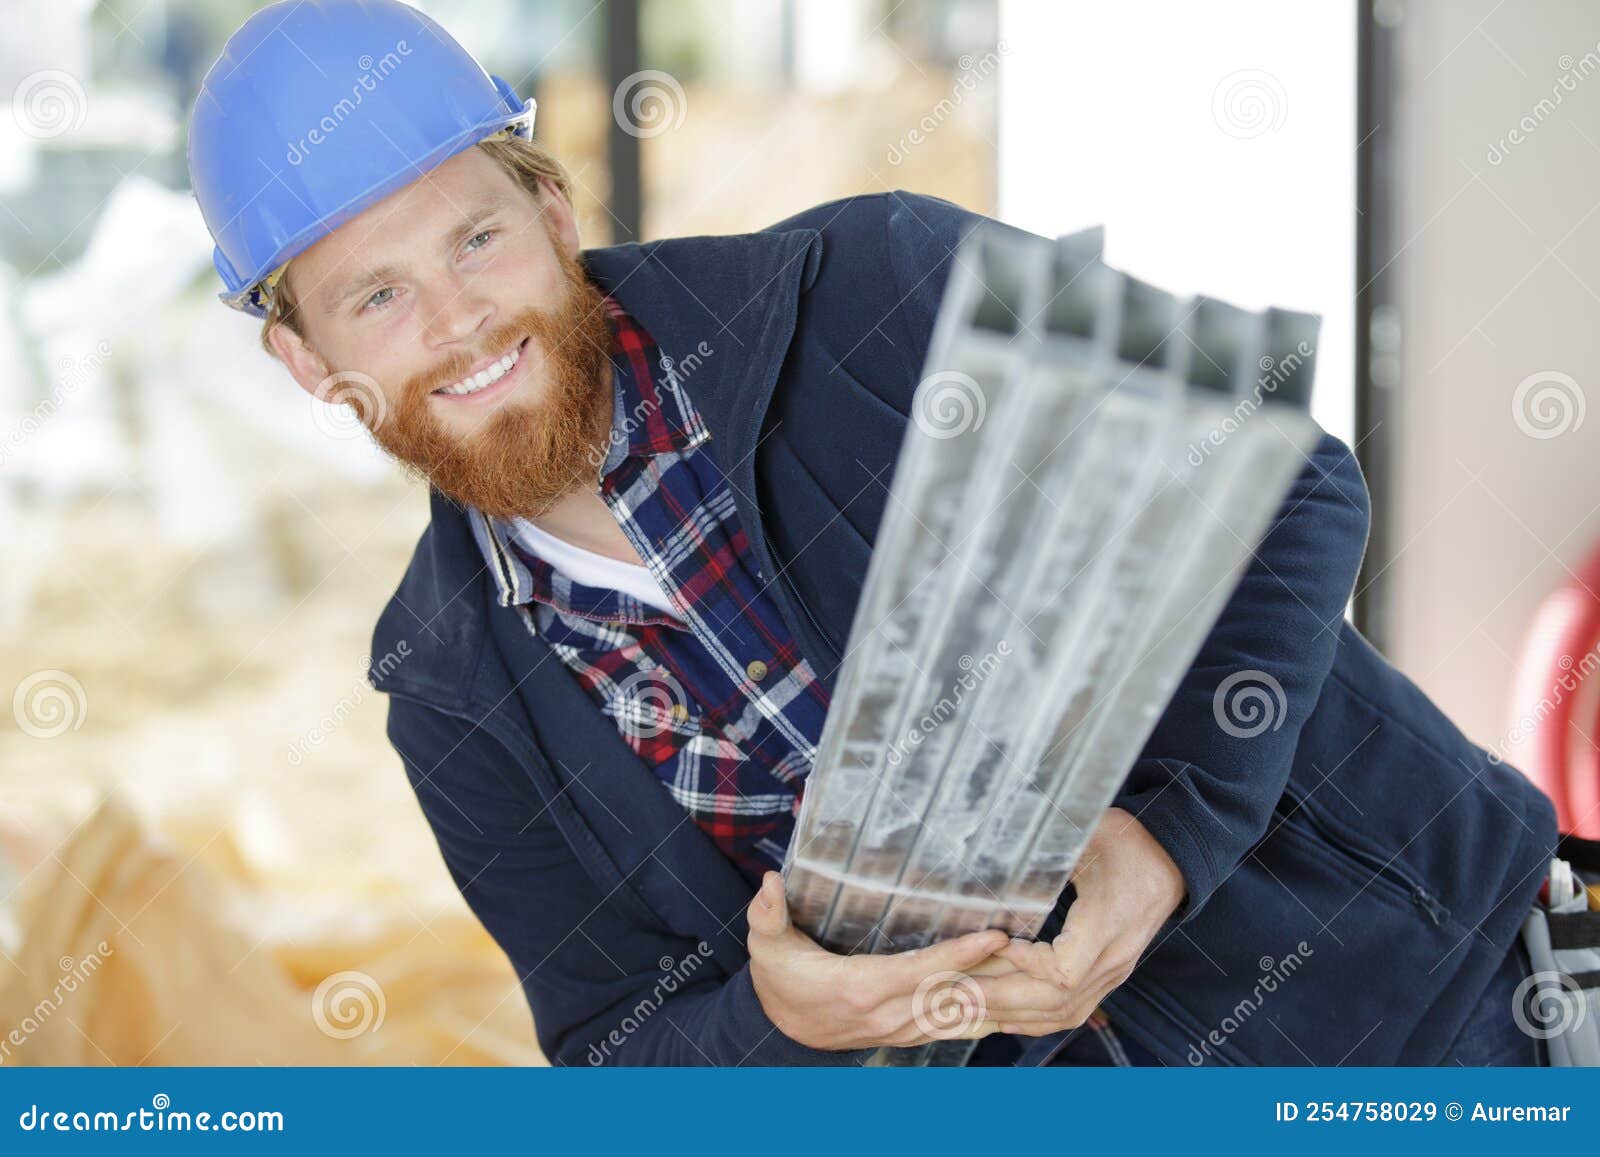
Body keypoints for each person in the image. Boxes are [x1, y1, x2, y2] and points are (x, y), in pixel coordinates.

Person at [187, 0, 1557, 1066]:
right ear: (308, 363)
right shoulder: (447, 695)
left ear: (552, 211)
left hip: (1430, 1009)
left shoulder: (876, 282)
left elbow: (1291, 480)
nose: (459, 321)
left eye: (475, 240)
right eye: (376, 297)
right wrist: (788, 1021)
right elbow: (622, 1053)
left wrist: (1171, 832)